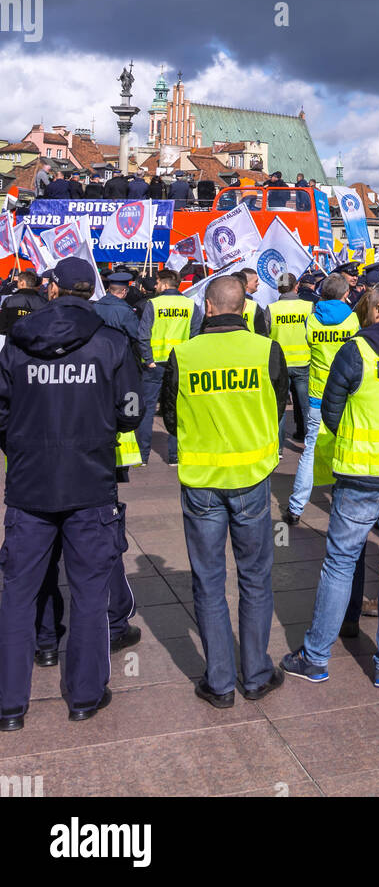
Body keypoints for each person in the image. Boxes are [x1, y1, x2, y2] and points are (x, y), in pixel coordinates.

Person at [0, 257, 142, 729]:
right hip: (89, 481)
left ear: (54, 289)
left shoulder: (17, 344)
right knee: (88, 592)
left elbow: (1, 412)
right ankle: (84, 695)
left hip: (29, 482)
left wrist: (21, 442)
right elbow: (130, 413)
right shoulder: (110, 342)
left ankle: (10, 704)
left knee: (18, 593)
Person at [282, 280, 379, 686]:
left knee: (339, 563)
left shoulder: (357, 350)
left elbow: (331, 411)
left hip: (361, 474)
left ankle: (316, 657)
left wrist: (358, 434)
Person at [161, 274, 288, 706]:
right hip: (252, 478)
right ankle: (254, 675)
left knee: (209, 581)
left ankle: (218, 683)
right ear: (244, 307)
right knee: (255, 578)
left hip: (201, 483)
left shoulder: (184, 354)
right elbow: (279, 404)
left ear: (209, 308)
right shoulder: (266, 350)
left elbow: (171, 416)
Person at [283, 273, 359, 524]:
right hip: (346, 393)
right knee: (347, 449)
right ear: (346, 294)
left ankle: (296, 507)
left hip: (318, 394)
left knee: (311, 449)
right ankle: (343, 502)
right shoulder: (352, 320)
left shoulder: (312, 320)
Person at [137, 268, 202, 465]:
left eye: (157, 283)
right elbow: (196, 336)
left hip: (154, 364)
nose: (155, 286)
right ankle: (175, 455)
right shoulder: (191, 305)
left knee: (147, 410)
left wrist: (148, 359)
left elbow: (143, 335)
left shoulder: (153, 304)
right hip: (180, 364)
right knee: (178, 410)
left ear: (164, 284)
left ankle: (143, 455)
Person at [269, 272, 312, 448]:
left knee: (279, 408)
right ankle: (311, 444)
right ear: (297, 286)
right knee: (306, 408)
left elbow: (266, 335)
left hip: (281, 365)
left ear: (279, 288)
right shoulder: (308, 307)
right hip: (303, 363)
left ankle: (278, 448)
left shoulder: (272, 309)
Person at [0, 270, 45, 334]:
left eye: (18, 281)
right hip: (34, 341)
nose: (17, 284)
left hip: (13, 341)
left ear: (22, 283)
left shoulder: (10, 300)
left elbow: (2, 327)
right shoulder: (44, 303)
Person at [237, 268, 270, 335]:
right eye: (256, 281)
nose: (258, 283)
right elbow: (262, 333)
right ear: (246, 283)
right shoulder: (254, 306)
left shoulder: (227, 303)